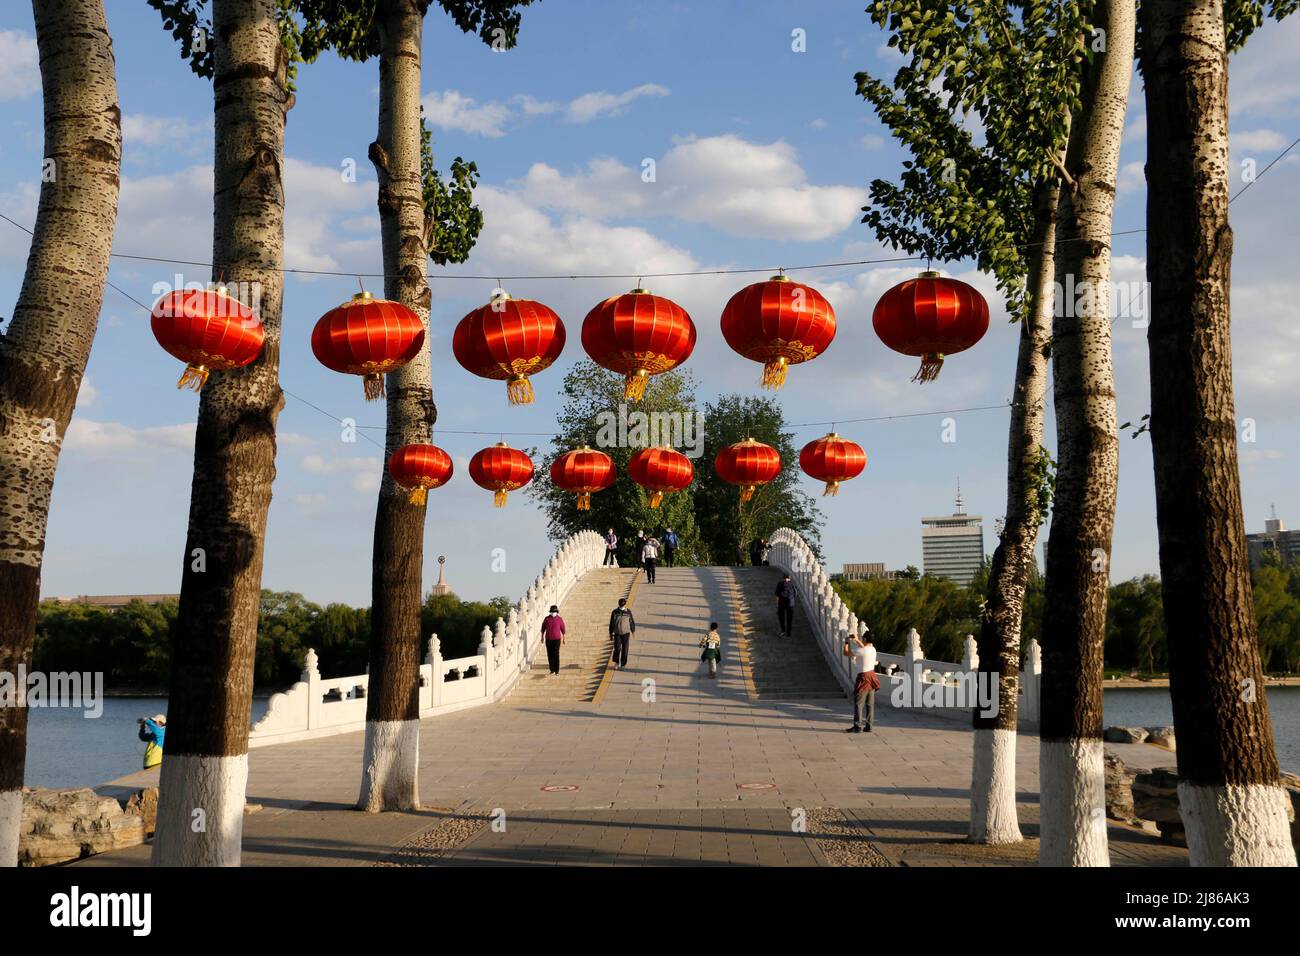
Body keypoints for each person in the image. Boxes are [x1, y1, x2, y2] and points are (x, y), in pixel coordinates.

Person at [843, 628, 879, 733]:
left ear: (864, 639)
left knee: (859, 703)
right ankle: (869, 725)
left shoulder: (861, 651)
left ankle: (857, 726)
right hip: (872, 677)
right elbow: (864, 649)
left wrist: (846, 642)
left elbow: (846, 653)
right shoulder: (873, 649)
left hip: (863, 678)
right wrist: (857, 640)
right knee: (870, 704)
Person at [609, 597, 635, 669]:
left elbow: (631, 621)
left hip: (626, 633)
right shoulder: (614, 612)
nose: (622, 604)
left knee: (625, 649)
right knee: (617, 648)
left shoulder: (628, 612)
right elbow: (611, 623)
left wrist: (633, 630)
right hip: (617, 633)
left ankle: (623, 664)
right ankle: (616, 662)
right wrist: (610, 633)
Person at [541, 604, 566, 675]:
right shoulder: (547, 619)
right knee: (550, 654)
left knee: (556, 654)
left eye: (554, 612)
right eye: (552, 612)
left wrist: (564, 638)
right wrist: (542, 637)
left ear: (557, 612)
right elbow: (543, 628)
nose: (553, 613)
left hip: (557, 639)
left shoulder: (559, 619)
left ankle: (557, 670)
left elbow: (563, 629)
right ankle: (552, 669)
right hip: (548, 639)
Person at [774, 573, 796, 637]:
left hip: (781, 603)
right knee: (789, 618)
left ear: (783, 578)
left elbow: (777, 595)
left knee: (781, 617)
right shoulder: (792, 584)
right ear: (789, 578)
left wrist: (777, 604)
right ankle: (789, 633)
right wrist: (792, 600)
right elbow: (795, 593)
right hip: (790, 604)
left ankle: (783, 631)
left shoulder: (780, 583)